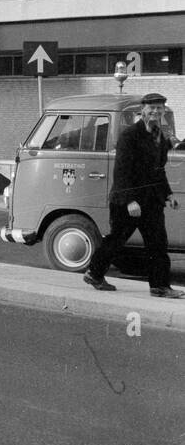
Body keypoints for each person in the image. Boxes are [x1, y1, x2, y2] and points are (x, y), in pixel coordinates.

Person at [84, 92, 182, 298]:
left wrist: (168, 195)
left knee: (157, 244)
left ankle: (160, 286)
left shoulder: (160, 137)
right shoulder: (130, 135)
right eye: (151, 108)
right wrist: (130, 200)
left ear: (163, 111)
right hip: (127, 201)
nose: (155, 111)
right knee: (117, 240)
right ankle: (94, 273)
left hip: (152, 201)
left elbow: (159, 170)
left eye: (159, 108)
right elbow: (121, 171)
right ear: (142, 111)